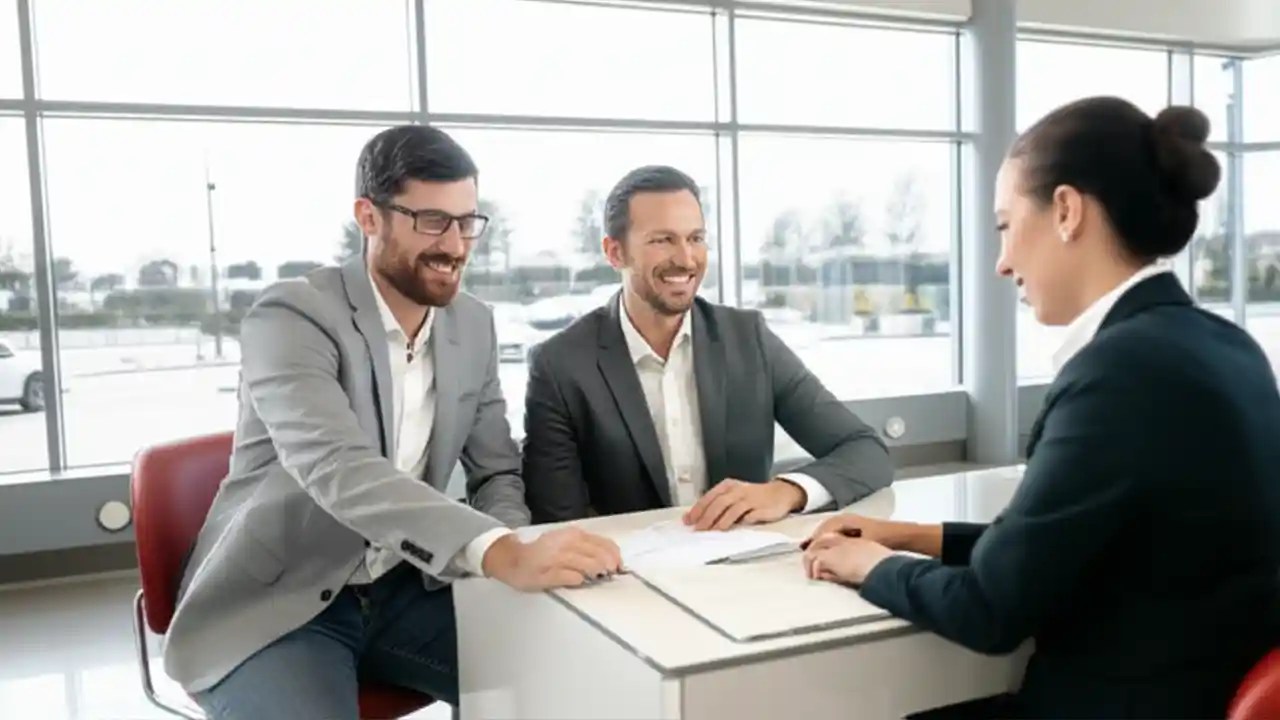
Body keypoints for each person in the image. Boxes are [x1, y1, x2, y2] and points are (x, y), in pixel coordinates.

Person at [802, 97, 1280, 719]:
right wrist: (914, 537)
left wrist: (874, 566)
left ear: (1065, 211)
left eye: (1005, 225)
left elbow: (989, 610)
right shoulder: (1229, 346)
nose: (1002, 263)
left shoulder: (1117, 373)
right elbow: (1073, 546)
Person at [164, 125, 622, 719]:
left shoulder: (473, 325)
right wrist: (494, 551)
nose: (455, 245)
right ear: (369, 217)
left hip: (413, 585)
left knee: (590, 687)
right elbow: (336, 466)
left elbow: (497, 471)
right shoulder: (292, 316)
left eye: (467, 222)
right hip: (282, 604)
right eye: (432, 221)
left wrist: (503, 566)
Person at [522, 165, 893, 529]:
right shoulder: (560, 366)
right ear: (615, 253)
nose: (686, 259)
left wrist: (786, 491)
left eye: (695, 238)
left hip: (744, 573)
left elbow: (866, 451)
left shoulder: (750, 339)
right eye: (662, 240)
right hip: (623, 578)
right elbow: (556, 525)